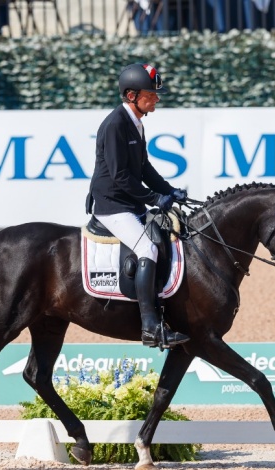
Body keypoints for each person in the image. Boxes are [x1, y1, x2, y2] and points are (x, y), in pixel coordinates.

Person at [85, 62, 190, 349]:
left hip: (128, 202)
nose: (156, 97)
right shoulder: (115, 125)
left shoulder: (136, 122)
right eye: (151, 94)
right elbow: (120, 177)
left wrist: (169, 191)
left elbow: (143, 168)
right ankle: (151, 327)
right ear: (131, 95)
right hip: (113, 206)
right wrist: (155, 199)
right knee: (148, 248)